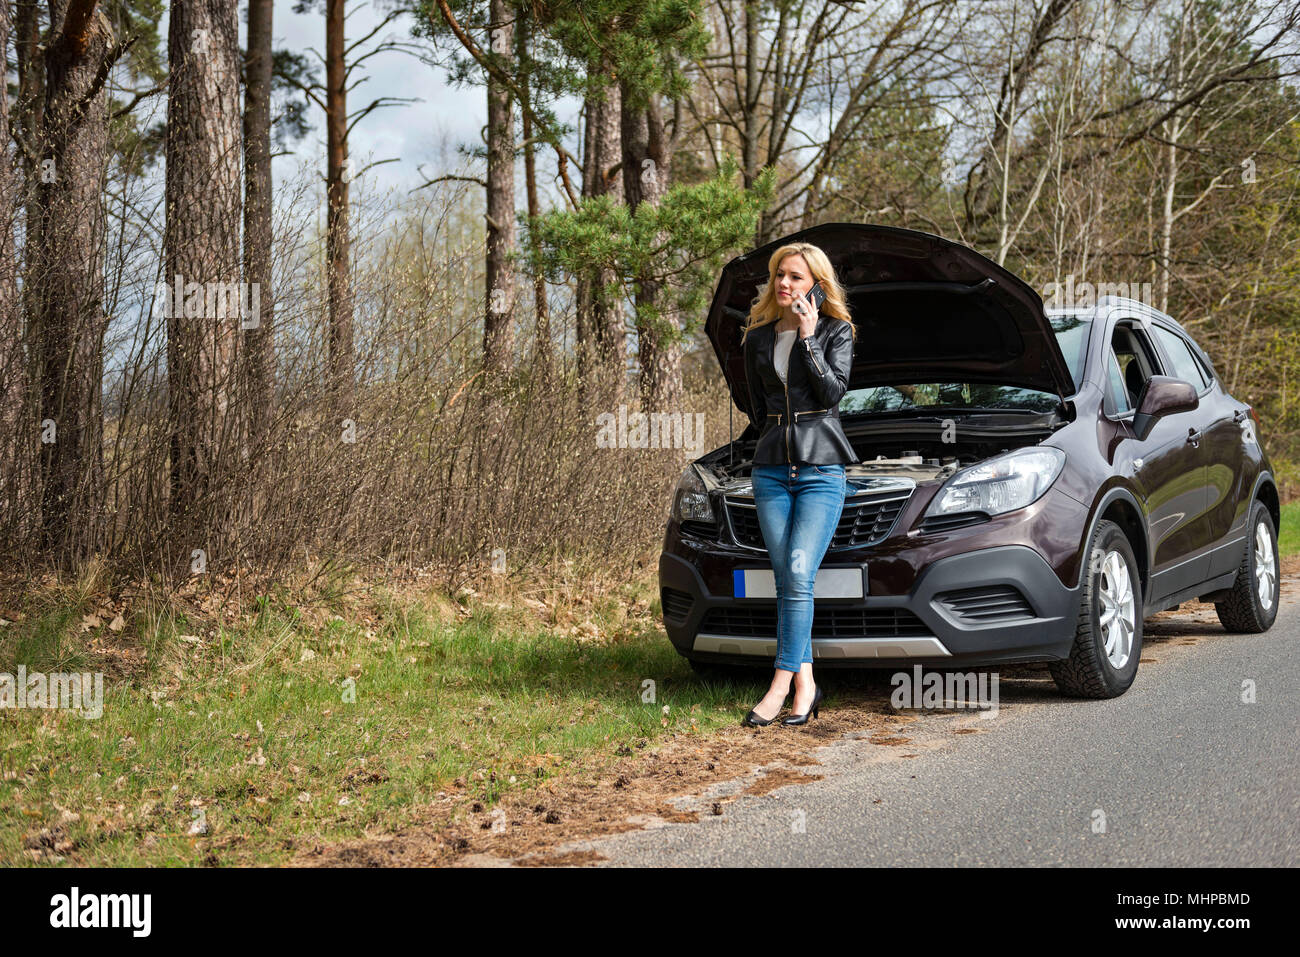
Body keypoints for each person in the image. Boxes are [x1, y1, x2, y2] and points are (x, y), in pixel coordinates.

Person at [739, 242, 856, 726]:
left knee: (799, 573)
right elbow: (754, 403)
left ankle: (779, 684)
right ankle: (807, 683)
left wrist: (809, 339)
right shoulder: (758, 338)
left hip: (821, 470)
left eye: (796, 278)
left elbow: (832, 393)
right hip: (770, 471)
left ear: (817, 286)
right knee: (788, 579)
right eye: (779, 275)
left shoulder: (837, 331)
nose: (784, 284)